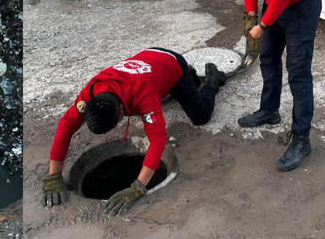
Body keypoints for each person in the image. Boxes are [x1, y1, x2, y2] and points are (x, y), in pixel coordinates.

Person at [198, 0, 321, 172]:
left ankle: (301, 139)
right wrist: (251, 13)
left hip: (300, 2)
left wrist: (262, 26)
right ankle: (269, 111)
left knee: (298, 72)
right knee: (267, 57)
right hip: (275, 0)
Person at [42, 48, 227, 215]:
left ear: (122, 113)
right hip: (150, 59)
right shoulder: (91, 91)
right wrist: (53, 176)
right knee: (175, 94)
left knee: (201, 116)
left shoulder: (143, 95)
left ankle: (212, 78)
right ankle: (190, 81)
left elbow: (158, 140)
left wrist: (138, 187)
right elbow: (66, 125)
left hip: (172, 63)